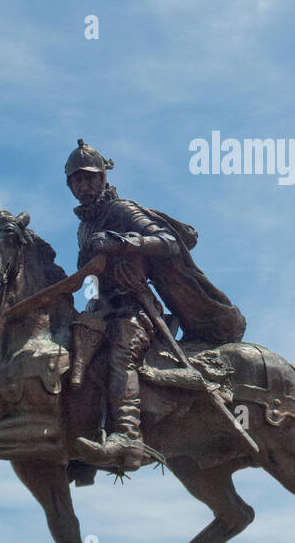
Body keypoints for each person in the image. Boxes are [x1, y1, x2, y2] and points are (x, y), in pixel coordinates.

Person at [65, 140, 245, 472]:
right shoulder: (84, 226)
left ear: (103, 178)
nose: (83, 185)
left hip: (135, 309)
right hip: (101, 308)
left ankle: (128, 437)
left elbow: (169, 243)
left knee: (122, 353)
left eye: (89, 177)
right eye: (76, 180)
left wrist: (121, 243)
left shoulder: (121, 211)